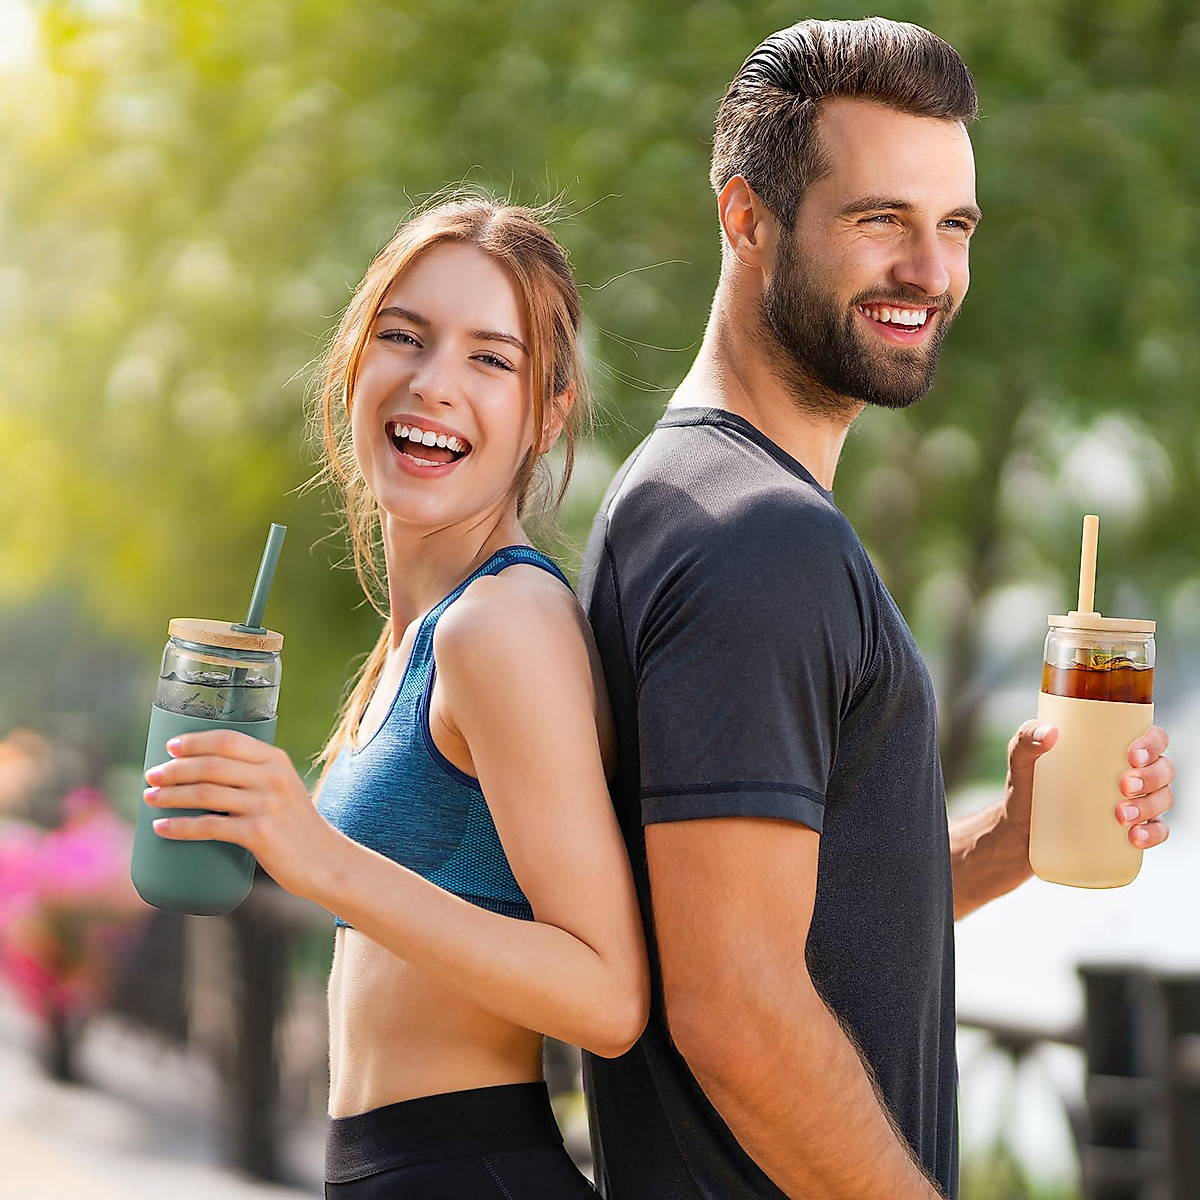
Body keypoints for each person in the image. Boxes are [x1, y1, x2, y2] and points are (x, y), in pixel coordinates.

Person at [578, 18, 1175, 1200]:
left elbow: (776, 912)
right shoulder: (761, 540)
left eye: (954, 226)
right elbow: (736, 1006)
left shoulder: (676, 495)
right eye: (880, 221)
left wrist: (1009, 843)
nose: (932, 272)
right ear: (747, 220)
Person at [143, 197, 650, 1199]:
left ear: (547, 414)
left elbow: (607, 993)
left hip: (471, 1167)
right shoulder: (420, 634)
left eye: (489, 360)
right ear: (354, 365)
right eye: (403, 337)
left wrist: (320, 856)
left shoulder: (501, 624)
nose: (433, 383)